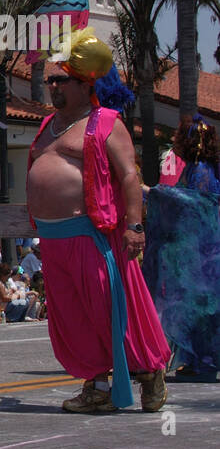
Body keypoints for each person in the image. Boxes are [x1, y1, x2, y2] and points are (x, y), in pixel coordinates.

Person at [26, 28, 169, 412]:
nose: (52, 87)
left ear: (84, 81)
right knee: (73, 317)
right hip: (53, 241)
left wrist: (135, 225)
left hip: (92, 237)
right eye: (49, 80)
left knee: (112, 309)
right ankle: (97, 388)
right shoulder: (46, 126)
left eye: (60, 80)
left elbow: (128, 177)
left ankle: (150, 369)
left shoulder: (106, 121)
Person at [143, 115, 220, 376]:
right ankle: (200, 359)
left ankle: (205, 361)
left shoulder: (200, 170)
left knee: (201, 307)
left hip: (203, 253)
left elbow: (196, 203)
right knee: (201, 307)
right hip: (203, 251)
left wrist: (154, 192)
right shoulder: (197, 168)